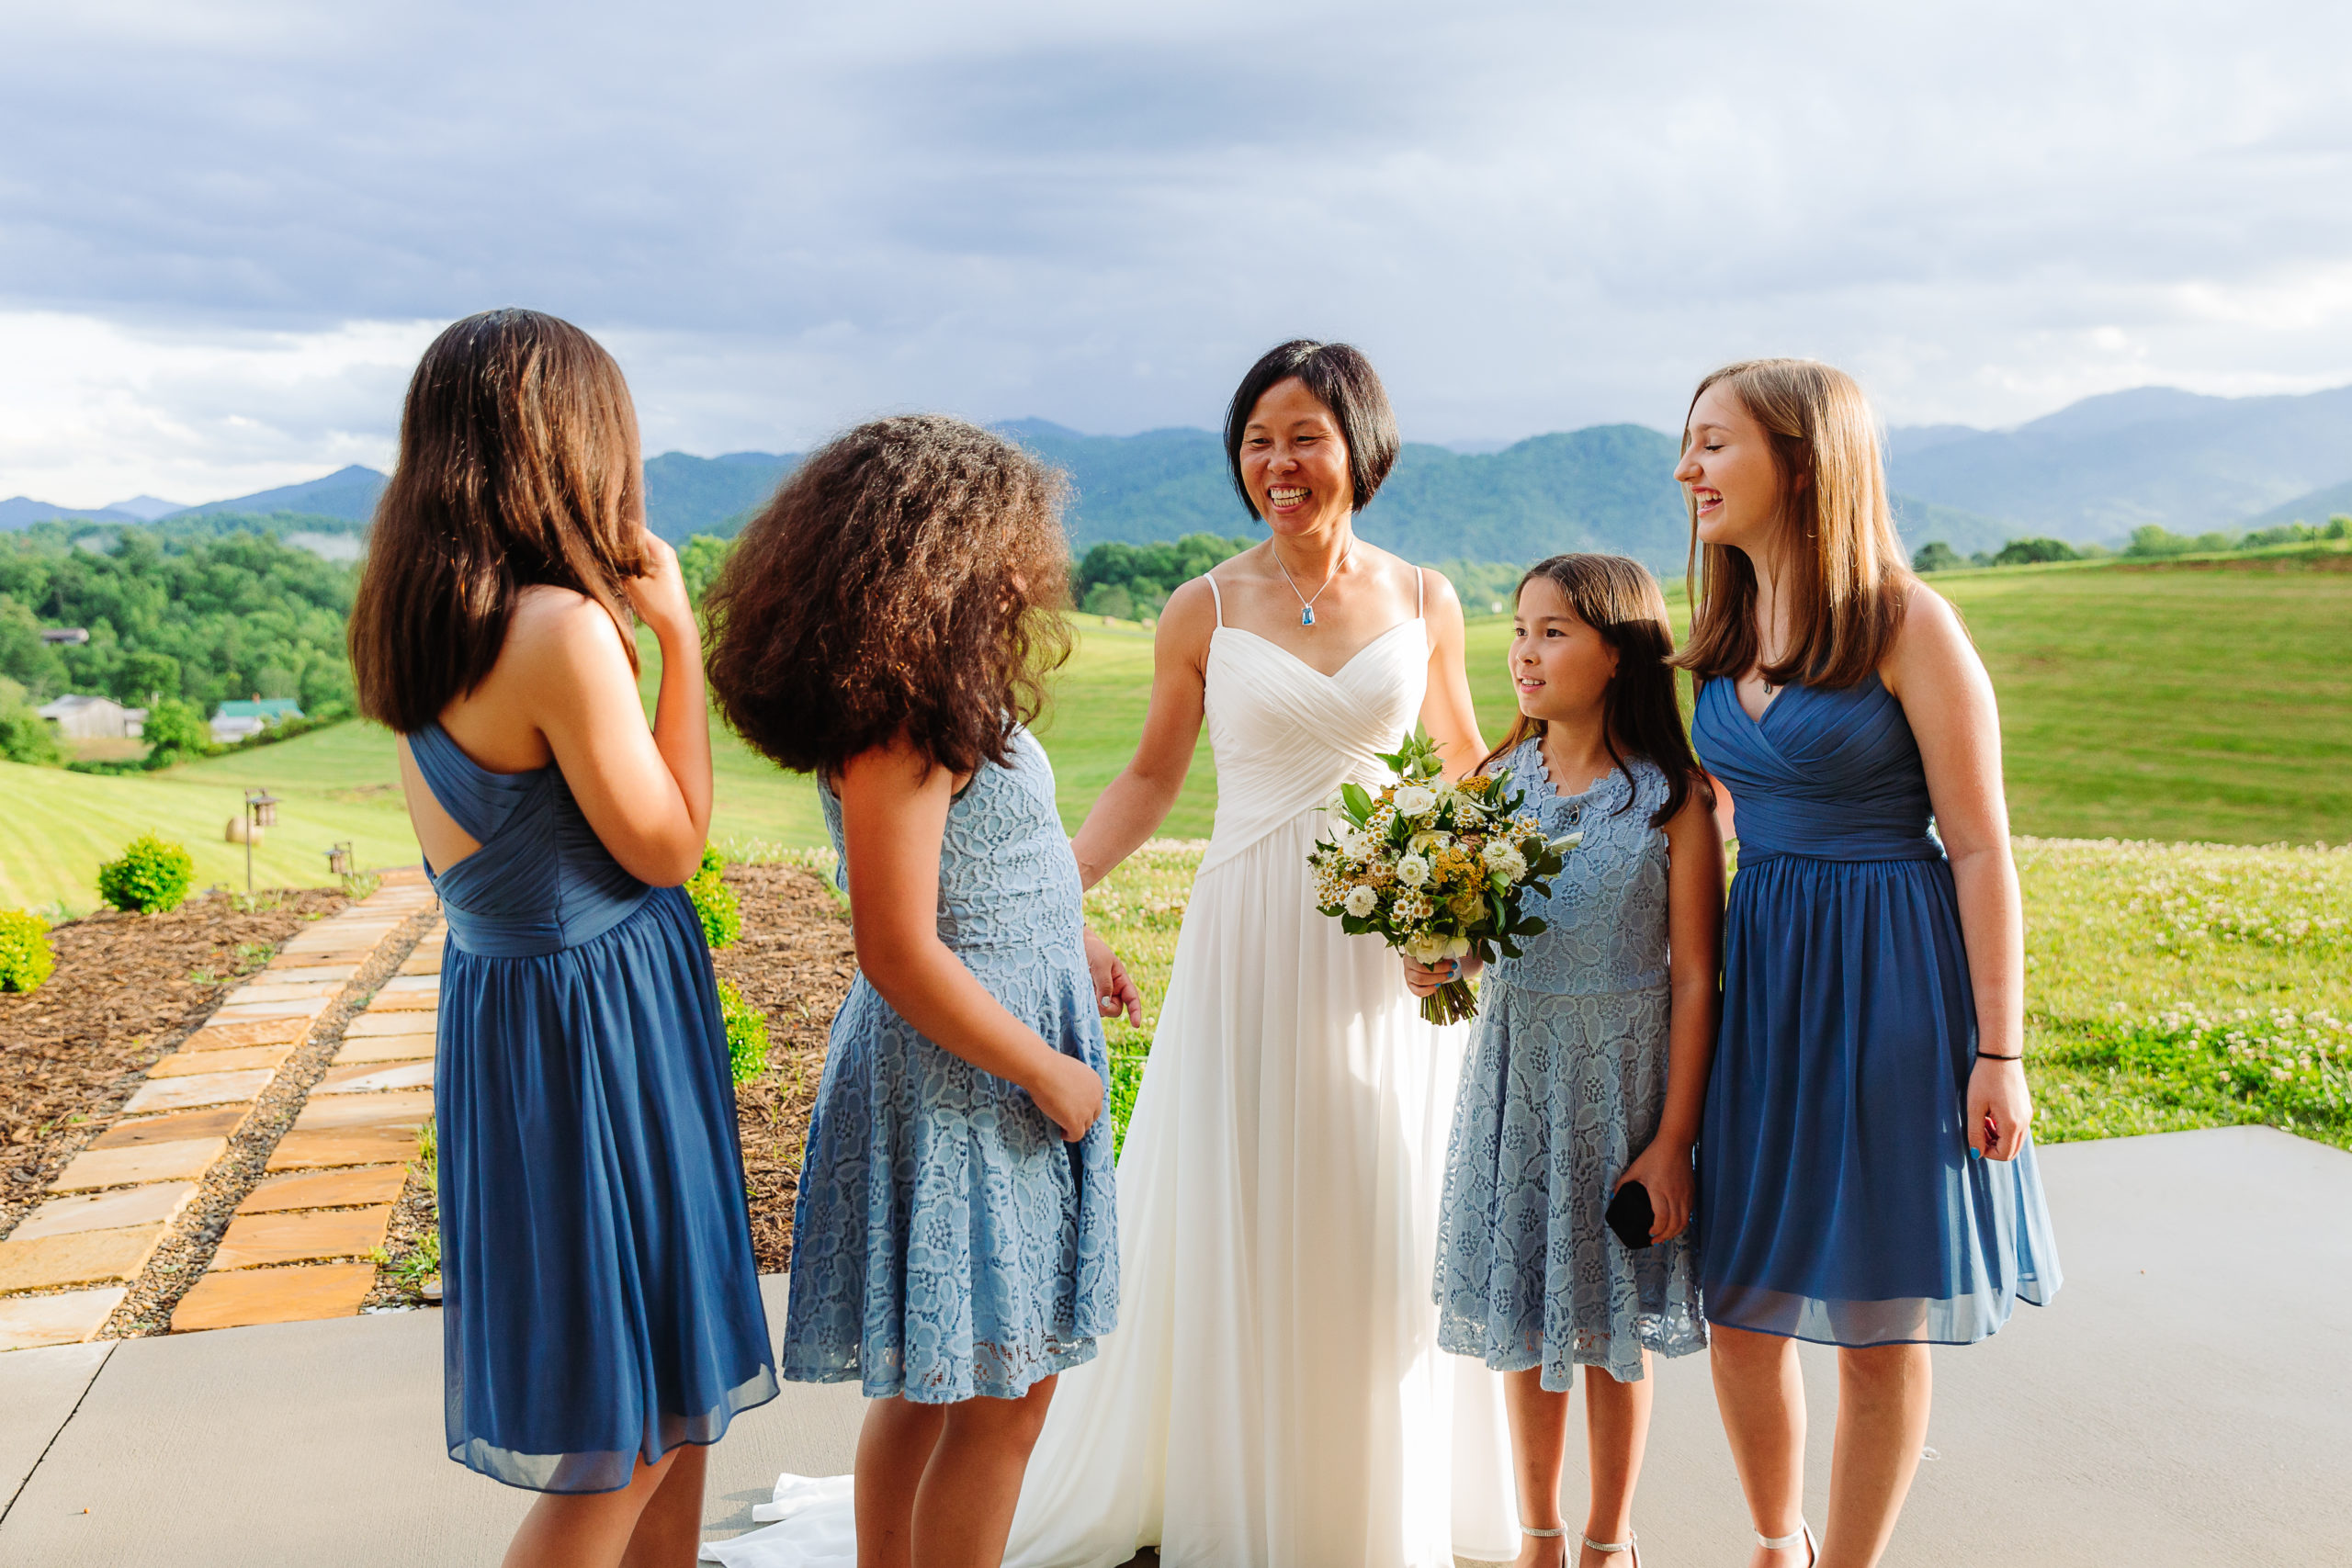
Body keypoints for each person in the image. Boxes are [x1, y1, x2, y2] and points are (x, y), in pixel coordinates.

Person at [1001, 339, 1518, 1568]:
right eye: (1257, 441)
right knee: (1242, 1189)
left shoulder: (1426, 597)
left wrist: (1465, 909)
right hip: (1248, 935)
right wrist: (1048, 897)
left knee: (1380, 1192)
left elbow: (1462, 767)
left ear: (1361, 447)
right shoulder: (1206, 606)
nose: (1279, 463)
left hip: (1387, 947)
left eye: (1304, 438)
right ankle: (1238, 1488)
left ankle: (1368, 1495)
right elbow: (1148, 777)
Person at [348, 308, 776, 1567]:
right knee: (629, 1429)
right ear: (569, 445)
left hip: (517, 1008)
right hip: (597, 1027)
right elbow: (669, 845)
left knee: (670, 1400)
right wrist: (680, 642)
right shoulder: (559, 629)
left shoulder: (422, 617)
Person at [700, 415, 1135, 1568]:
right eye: (1010, 543)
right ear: (941, 554)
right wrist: (1045, 1070)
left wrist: (1074, 936)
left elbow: (984, 864)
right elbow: (895, 946)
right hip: (967, 1076)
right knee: (1002, 1399)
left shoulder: (943, 694)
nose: (1029, 569)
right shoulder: (895, 722)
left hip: (995, 1045)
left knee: (937, 1382)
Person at [1673, 359, 2062, 1568]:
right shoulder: (1724, 632)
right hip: (1765, 984)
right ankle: (1775, 1542)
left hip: (1894, 979)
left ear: (1801, 461)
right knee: (1741, 1300)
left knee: (1880, 1312)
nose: (1688, 468)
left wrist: (1999, 1051)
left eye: (1714, 443)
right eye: (1688, 444)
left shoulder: (1906, 620)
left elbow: (1982, 846)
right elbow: (1708, 816)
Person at [1413, 554, 1724, 1568]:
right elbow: (1475, 935)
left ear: (1618, 651)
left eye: (1553, 632)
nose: (1524, 652)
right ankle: (1538, 1535)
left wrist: (1672, 1140)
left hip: (1622, 1092)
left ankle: (1607, 1539)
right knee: (1524, 1310)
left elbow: (1695, 979)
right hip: (1517, 1080)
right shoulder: (1494, 785)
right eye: (1519, 629)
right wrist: (1439, 959)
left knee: (1609, 1326)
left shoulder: (1672, 800)